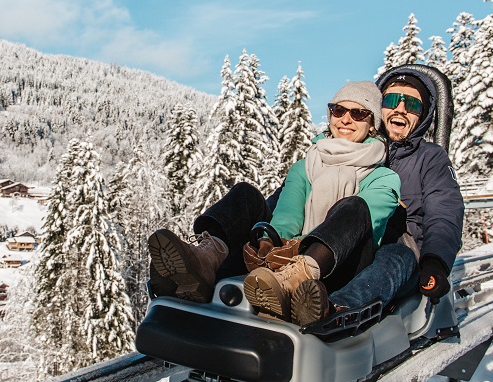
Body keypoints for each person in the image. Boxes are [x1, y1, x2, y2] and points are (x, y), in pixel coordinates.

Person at [147, 82, 401, 327]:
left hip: (343, 264)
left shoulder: (384, 177)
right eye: (339, 110)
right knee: (245, 194)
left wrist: (304, 258)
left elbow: (370, 224)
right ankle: (204, 260)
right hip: (291, 259)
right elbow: (287, 216)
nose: (346, 119)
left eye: (358, 113)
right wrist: (270, 243)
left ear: (372, 125)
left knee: (354, 206)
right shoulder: (305, 166)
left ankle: (299, 281)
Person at [330, 65, 465, 313]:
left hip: (401, 253)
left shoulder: (430, 158)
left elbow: (444, 211)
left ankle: (337, 308)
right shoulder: (356, 146)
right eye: (392, 100)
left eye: (412, 105)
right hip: (350, 246)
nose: (400, 108)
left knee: (395, 257)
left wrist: (435, 260)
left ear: (423, 115)